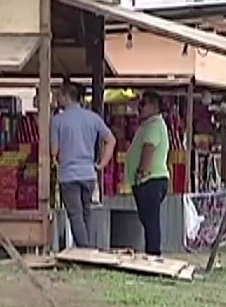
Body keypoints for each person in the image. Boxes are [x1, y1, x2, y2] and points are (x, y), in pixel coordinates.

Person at [50, 82, 116, 248]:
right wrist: (101, 164)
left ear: (66, 96)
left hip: (68, 174)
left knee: (75, 214)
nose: (57, 99)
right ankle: (88, 247)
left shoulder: (58, 120)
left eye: (59, 96)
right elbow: (111, 140)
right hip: (88, 173)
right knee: (86, 212)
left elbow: (54, 150)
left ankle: (85, 250)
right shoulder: (93, 118)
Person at [125, 91, 170, 256]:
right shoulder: (149, 125)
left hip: (151, 179)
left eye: (144, 104)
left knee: (151, 221)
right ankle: (151, 251)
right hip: (149, 180)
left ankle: (153, 253)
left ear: (154, 106)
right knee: (148, 219)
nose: (140, 107)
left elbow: (148, 148)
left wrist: (141, 171)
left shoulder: (154, 125)